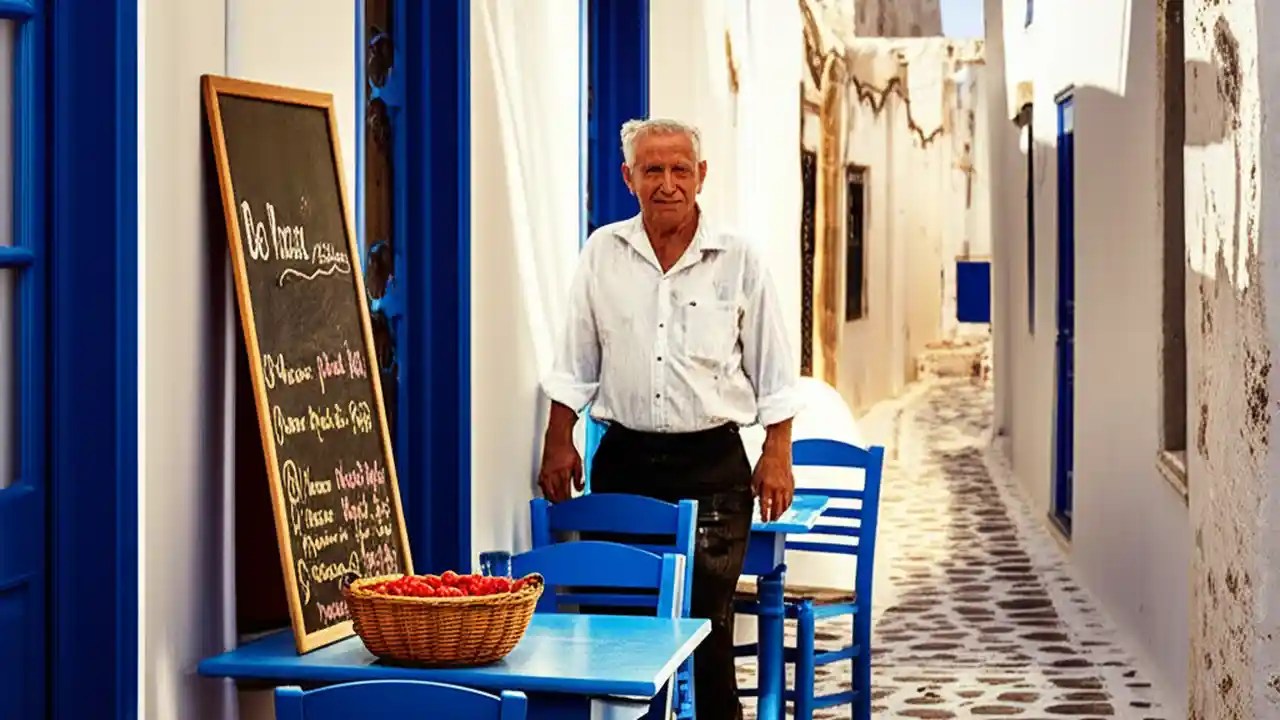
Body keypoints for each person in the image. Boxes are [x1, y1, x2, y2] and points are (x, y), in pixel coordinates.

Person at [538, 117, 801, 720]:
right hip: (625, 463)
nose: (667, 183)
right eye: (652, 169)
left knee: (704, 630)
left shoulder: (738, 260)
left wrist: (777, 453)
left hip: (712, 468)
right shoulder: (603, 252)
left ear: (700, 176)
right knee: (625, 635)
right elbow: (576, 358)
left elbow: (774, 368)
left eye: (680, 169)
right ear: (628, 177)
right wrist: (560, 438)